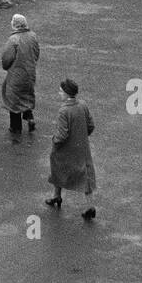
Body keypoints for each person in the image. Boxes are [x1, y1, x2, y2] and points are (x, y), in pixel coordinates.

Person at [45, 78, 97, 221]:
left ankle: (57, 195)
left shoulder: (64, 111)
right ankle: (89, 205)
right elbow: (91, 125)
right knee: (85, 175)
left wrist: (54, 141)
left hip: (66, 149)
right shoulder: (83, 105)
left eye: (61, 91)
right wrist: (81, 137)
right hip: (82, 148)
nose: (59, 93)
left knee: (57, 167)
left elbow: (61, 135)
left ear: (67, 94)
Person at [1, 13, 39, 135]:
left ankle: (16, 127)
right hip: (30, 72)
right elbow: (36, 53)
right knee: (27, 95)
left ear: (15, 24)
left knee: (14, 100)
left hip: (16, 74)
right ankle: (29, 117)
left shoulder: (13, 40)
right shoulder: (33, 36)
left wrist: (6, 67)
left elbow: (7, 58)